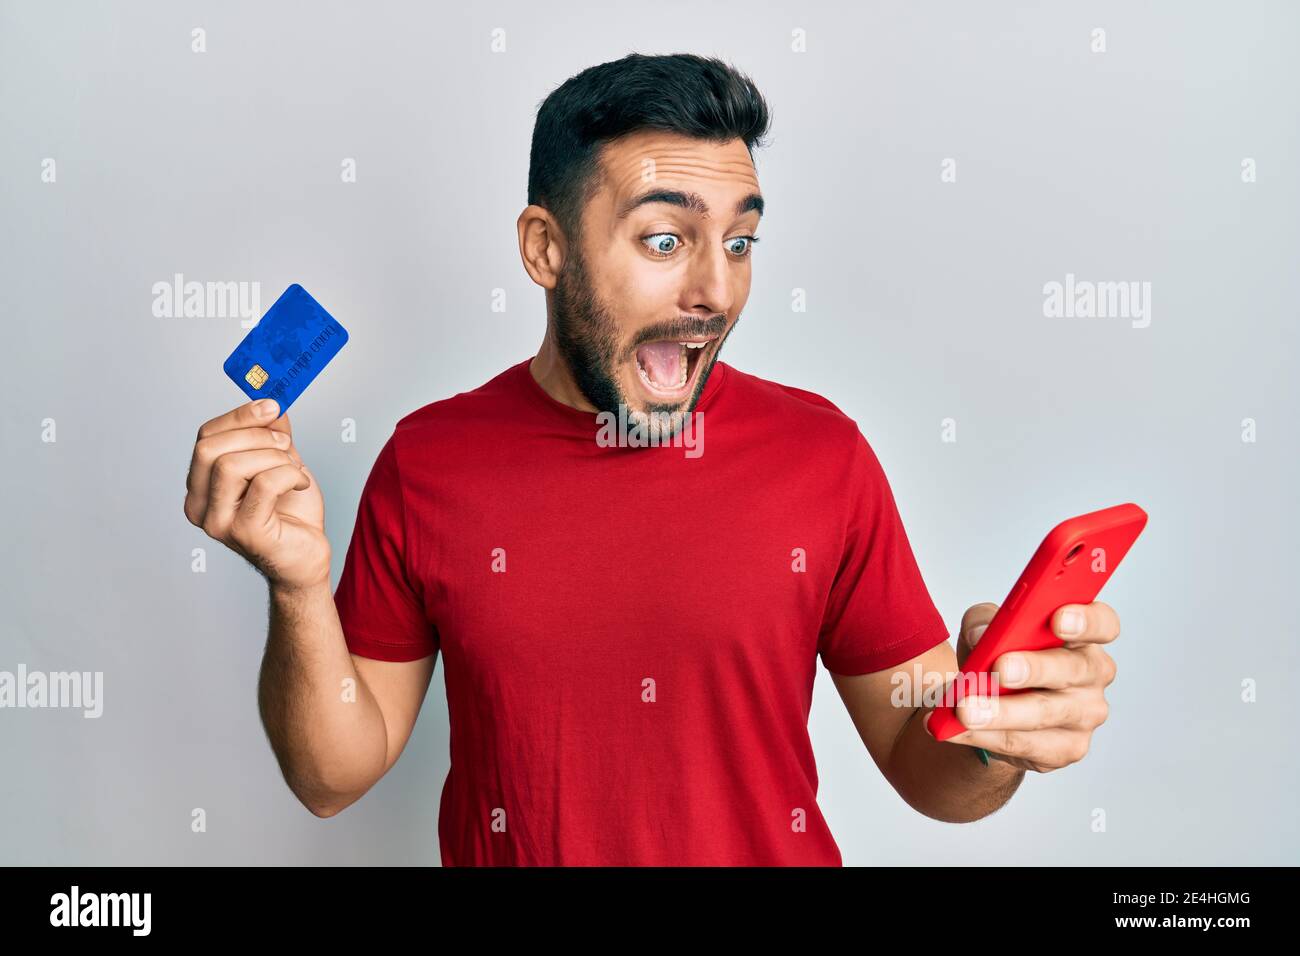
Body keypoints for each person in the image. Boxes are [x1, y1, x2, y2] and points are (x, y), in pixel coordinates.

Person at [183, 53, 1122, 866]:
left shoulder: (823, 457)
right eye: (666, 239)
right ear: (545, 248)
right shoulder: (426, 462)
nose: (716, 289)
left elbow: (935, 778)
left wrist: (1001, 734)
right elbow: (331, 777)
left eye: (741, 240)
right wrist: (297, 588)